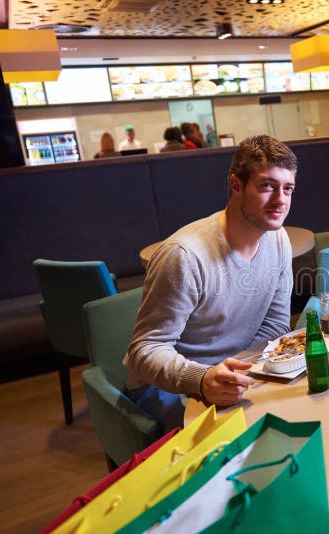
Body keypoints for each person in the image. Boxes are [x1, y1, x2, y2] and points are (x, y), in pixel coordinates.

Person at [124, 135, 298, 429]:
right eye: (267, 186)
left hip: (234, 375)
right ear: (236, 185)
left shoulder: (279, 239)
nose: (280, 200)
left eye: (288, 188)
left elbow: (276, 325)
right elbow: (145, 350)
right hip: (168, 388)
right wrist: (204, 379)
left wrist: (241, 373)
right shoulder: (185, 256)